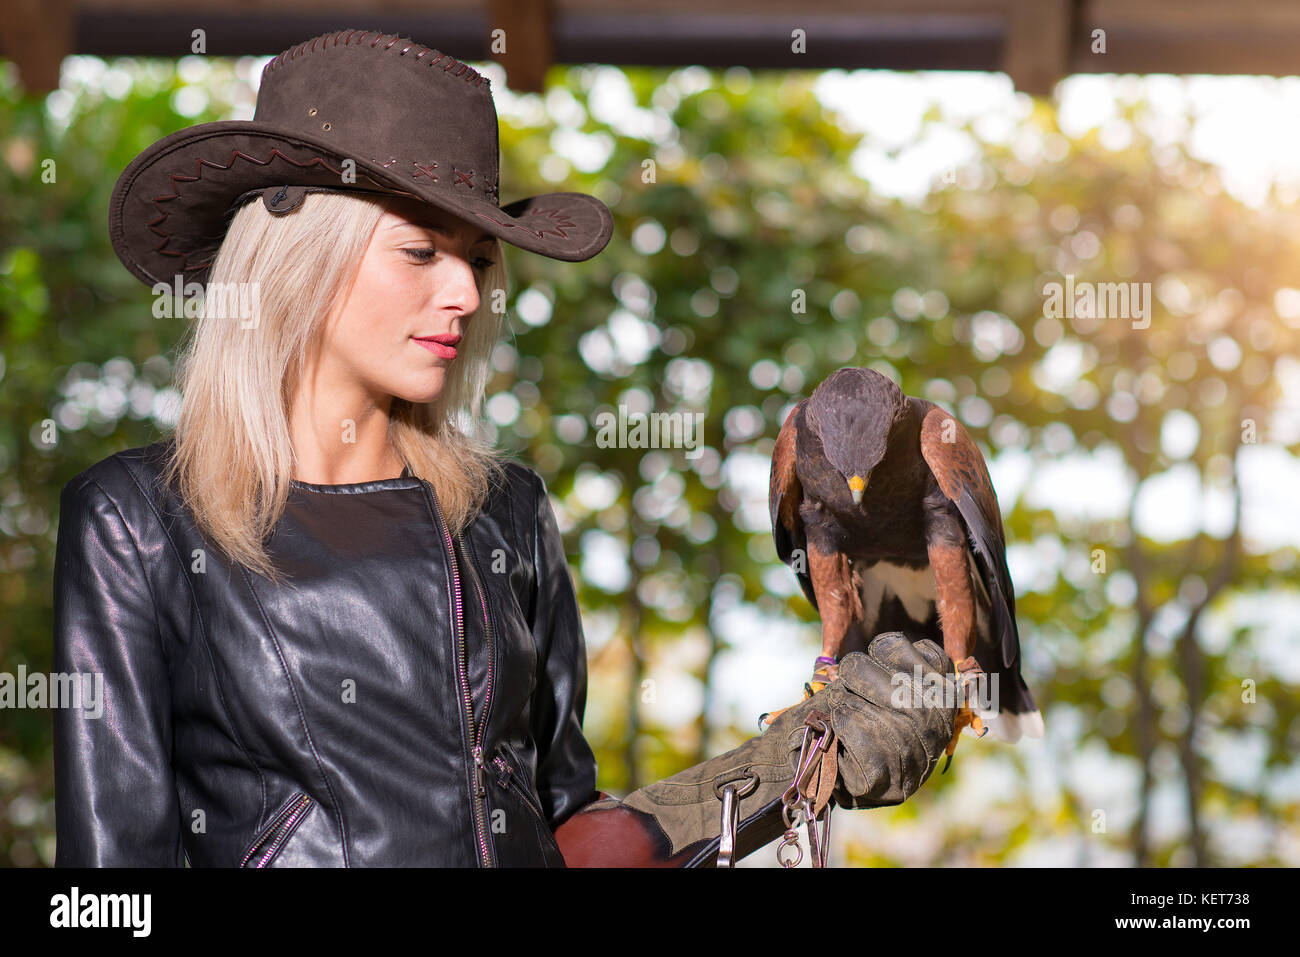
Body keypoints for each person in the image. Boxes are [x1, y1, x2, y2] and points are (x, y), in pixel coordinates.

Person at [53, 28, 962, 868]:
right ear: (300, 262)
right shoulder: (136, 521)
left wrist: (789, 768)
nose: (465, 293)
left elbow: (565, 829)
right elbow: (107, 885)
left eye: (479, 261)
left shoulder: (507, 511)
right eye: (420, 252)